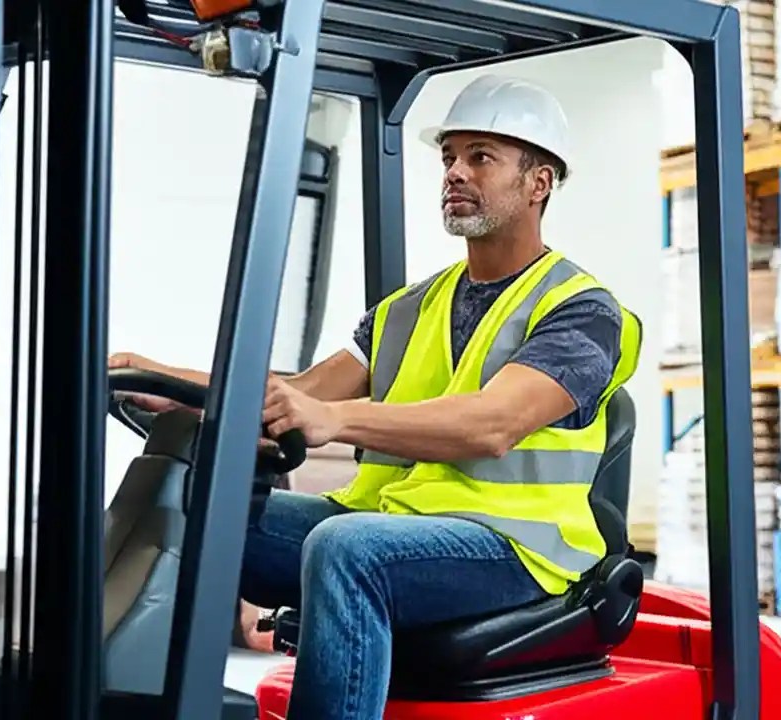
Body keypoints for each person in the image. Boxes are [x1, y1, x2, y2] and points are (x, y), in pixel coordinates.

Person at [108, 74, 642, 720]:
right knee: (190, 502)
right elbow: (298, 394)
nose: (455, 172)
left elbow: (495, 424)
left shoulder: (582, 310)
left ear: (539, 183)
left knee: (346, 550)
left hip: (515, 550)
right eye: (449, 156)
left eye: (480, 157)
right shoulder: (407, 310)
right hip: (404, 525)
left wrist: (336, 420)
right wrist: (171, 386)